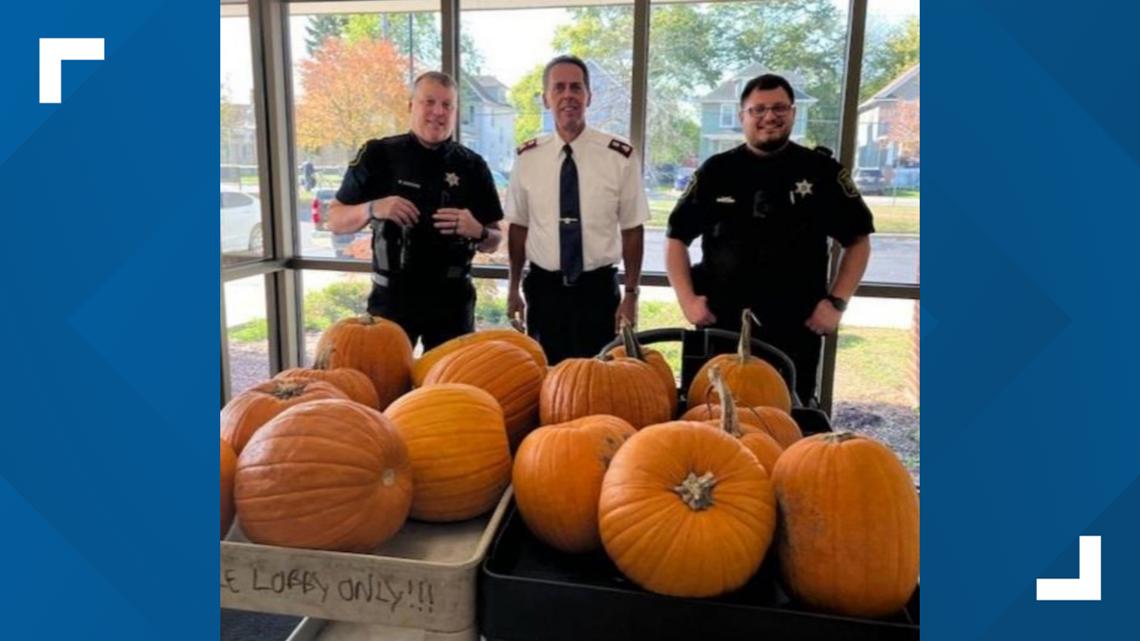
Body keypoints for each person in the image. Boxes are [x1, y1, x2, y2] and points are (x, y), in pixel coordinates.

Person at [665, 73, 874, 405]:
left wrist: (836, 303)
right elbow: (676, 238)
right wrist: (688, 300)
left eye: (779, 108)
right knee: (711, 415)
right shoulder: (716, 171)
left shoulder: (822, 172)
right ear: (742, 116)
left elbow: (858, 241)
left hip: (795, 326)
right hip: (722, 323)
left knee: (789, 417)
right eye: (758, 109)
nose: (769, 117)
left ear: (792, 113)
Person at [327, 71, 504, 351]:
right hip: (392, 299)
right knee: (385, 387)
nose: (438, 112)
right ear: (411, 105)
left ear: (455, 111)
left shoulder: (473, 165)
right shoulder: (378, 154)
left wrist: (478, 230)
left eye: (447, 105)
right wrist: (374, 208)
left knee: (448, 391)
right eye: (429, 102)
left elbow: (495, 240)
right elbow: (335, 220)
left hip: (452, 301)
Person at [505, 55, 649, 365]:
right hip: (545, 292)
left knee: (601, 382)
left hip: (597, 294)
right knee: (548, 384)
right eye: (559, 88)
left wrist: (632, 296)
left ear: (588, 96)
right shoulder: (527, 158)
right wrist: (513, 288)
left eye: (576, 87)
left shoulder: (619, 156)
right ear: (546, 98)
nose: (568, 95)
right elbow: (518, 227)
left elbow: (632, 230)